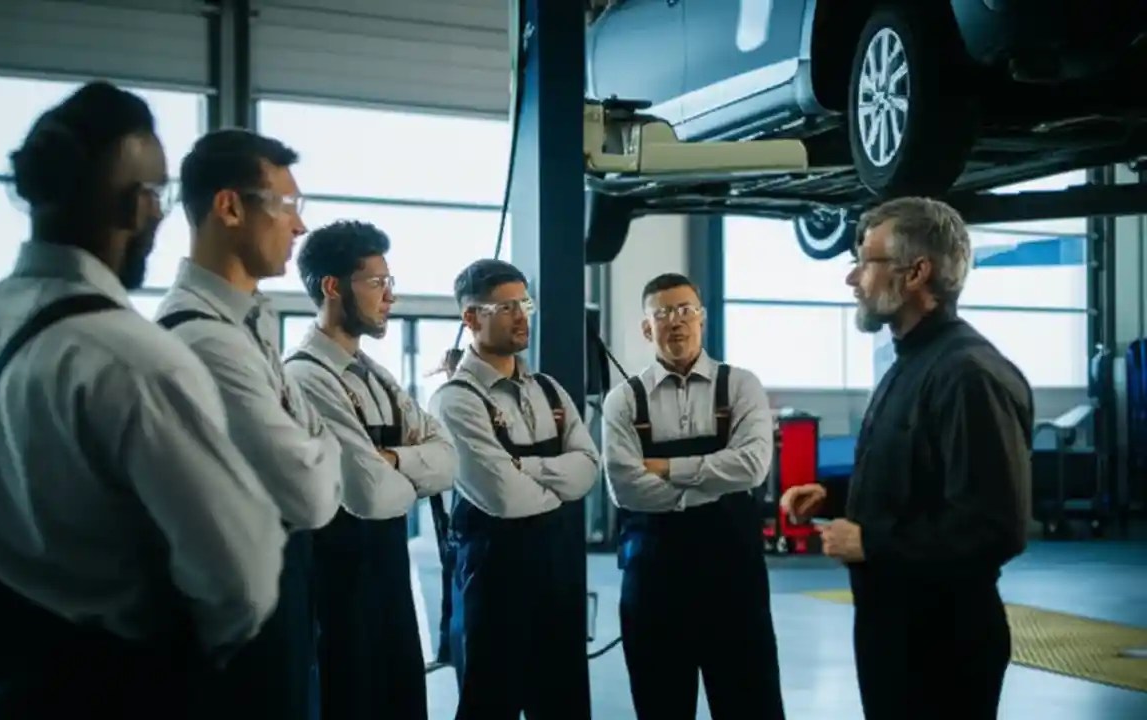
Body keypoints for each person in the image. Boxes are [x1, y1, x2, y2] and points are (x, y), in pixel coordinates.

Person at [0, 82, 285, 719]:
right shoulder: (134, 359)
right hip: (113, 692)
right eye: (159, 194)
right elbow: (240, 581)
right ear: (134, 206)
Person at [781, 197, 1033, 720]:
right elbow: (916, 477)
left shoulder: (967, 376)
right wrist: (834, 497)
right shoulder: (910, 363)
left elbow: (993, 527)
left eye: (866, 262)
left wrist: (870, 542)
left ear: (917, 273)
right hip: (895, 636)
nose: (852, 278)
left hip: (942, 647)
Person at [156, 128, 343, 718]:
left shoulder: (247, 325)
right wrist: (323, 445)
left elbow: (318, 445)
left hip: (274, 602)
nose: (299, 225)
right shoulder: (206, 341)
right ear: (230, 207)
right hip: (238, 625)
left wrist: (320, 444)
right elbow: (311, 495)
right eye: (287, 205)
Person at [285, 219, 456, 720]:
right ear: (332, 287)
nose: (390, 296)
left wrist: (394, 460)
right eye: (377, 282)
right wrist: (413, 473)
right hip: (336, 594)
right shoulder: (305, 376)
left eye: (389, 282)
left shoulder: (375, 376)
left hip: (389, 587)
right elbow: (369, 494)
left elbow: (450, 459)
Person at [602, 272, 785, 720]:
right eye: (662, 313)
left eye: (685, 310)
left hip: (734, 584)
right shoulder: (623, 401)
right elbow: (626, 487)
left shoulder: (741, 386)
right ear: (647, 328)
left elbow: (752, 466)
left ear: (701, 318)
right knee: (660, 705)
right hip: (653, 586)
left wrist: (667, 469)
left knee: (751, 705)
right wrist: (713, 485)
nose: (675, 321)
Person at [429, 259, 599, 719]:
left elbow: (589, 469)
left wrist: (525, 466)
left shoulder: (549, 390)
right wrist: (559, 484)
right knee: (490, 704)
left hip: (558, 579)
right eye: (506, 307)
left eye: (525, 304)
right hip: (493, 584)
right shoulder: (455, 401)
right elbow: (503, 497)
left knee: (565, 705)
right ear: (471, 317)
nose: (522, 316)